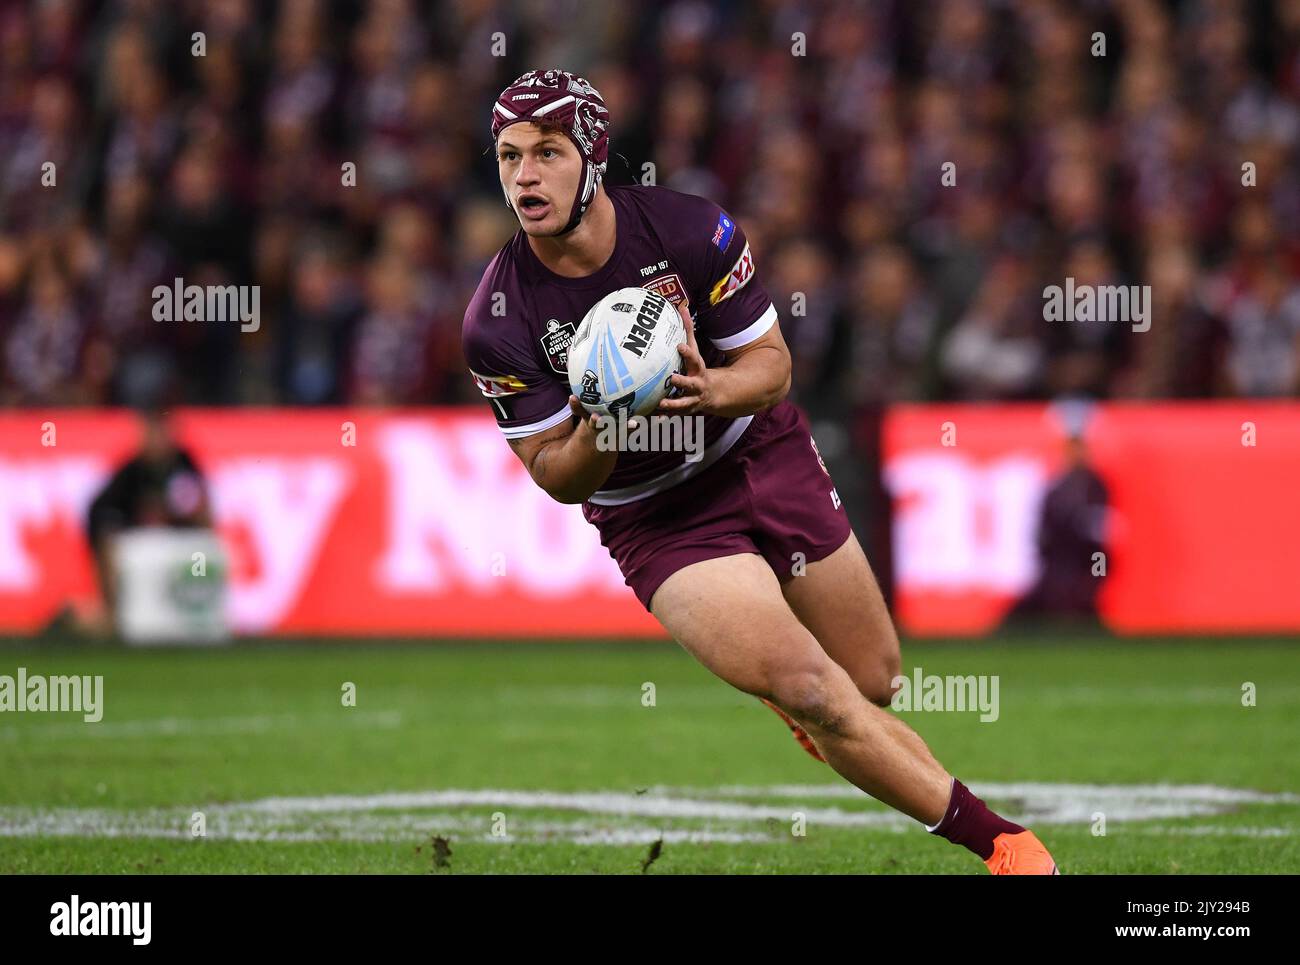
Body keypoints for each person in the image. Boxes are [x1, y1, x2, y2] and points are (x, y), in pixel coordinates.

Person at [461, 69, 1057, 874]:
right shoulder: (497, 317)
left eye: (547, 152)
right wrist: (609, 416)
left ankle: (806, 700)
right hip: (659, 517)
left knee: (873, 680)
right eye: (508, 156)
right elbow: (557, 475)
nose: (524, 175)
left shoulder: (687, 229)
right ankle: (1007, 847)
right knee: (815, 689)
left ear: (595, 157)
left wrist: (708, 390)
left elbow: (772, 368)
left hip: (760, 448)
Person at [86, 407, 211, 629]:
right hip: (134, 537)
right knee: (111, 544)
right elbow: (102, 512)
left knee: (204, 547)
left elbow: (201, 507)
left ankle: (198, 611)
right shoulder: (132, 471)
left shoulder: (184, 464)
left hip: (177, 536)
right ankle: (115, 615)